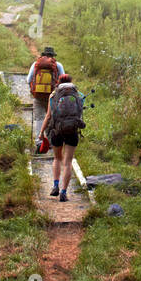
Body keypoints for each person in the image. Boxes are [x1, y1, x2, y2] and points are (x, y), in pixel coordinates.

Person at [40, 73, 85, 202]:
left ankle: (55, 186)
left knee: (57, 158)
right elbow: (80, 112)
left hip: (56, 130)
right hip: (72, 130)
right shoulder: (78, 95)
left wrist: (41, 132)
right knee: (68, 162)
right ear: (71, 82)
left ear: (58, 82)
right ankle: (64, 192)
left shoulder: (53, 95)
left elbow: (48, 116)